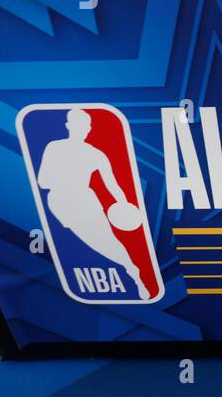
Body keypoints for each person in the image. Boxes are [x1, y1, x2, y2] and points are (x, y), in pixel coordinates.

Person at [36, 108, 149, 300]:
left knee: (108, 241)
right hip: (60, 201)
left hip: (87, 201)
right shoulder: (54, 147)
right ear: (68, 126)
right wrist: (66, 178)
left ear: (89, 128)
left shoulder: (96, 154)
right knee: (91, 242)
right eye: (79, 125)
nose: (84, 129)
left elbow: (112, 185)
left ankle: (135, 274)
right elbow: (43, 181)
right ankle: (129, 272)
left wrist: (124, 204)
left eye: (86, 126)